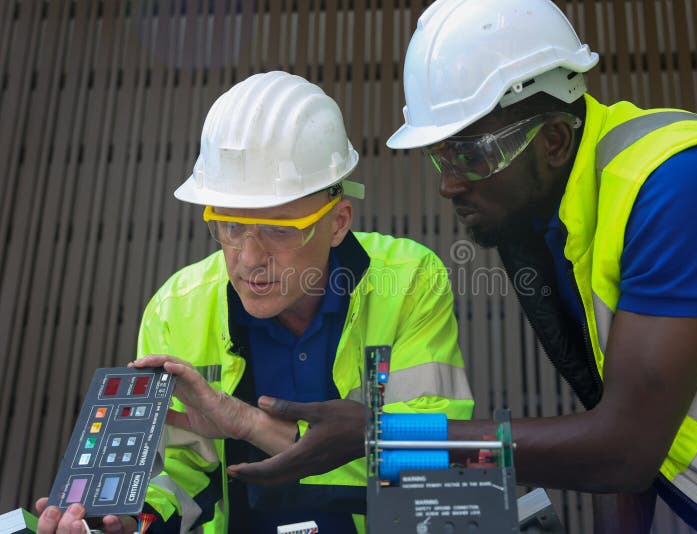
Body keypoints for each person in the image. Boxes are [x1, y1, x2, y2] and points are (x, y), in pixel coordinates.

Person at [220, 1, 697, 533]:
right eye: (438, 156)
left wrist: (379, 438)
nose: (448, 183)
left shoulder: (681, 187)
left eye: (469, 155)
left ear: (551, 140)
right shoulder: (557, 220)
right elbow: (611, 430)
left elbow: (624, 447)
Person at [35, 71, 473, 533]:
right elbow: (176, 480)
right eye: (230, 227)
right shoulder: (176, 310)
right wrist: (127, 521)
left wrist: (249, 423)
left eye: (279, 230)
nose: (248, 260)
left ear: (339, 221)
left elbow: (434, 464)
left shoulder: (408, 281)